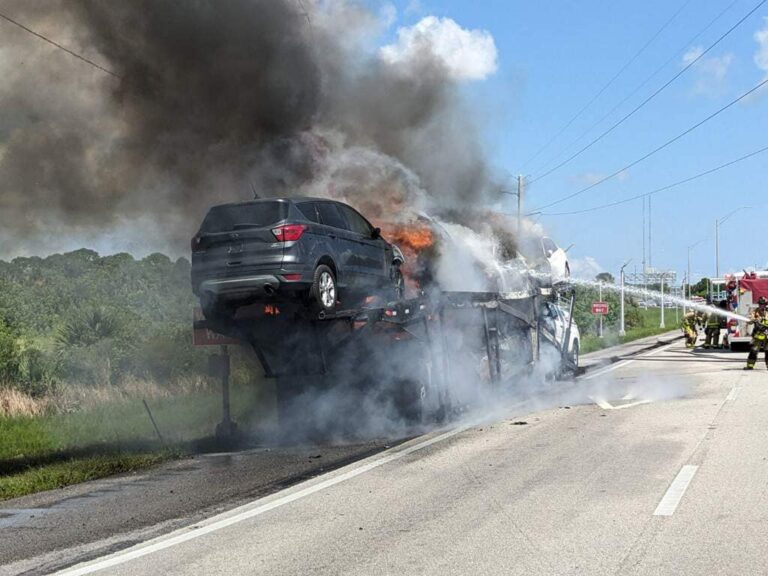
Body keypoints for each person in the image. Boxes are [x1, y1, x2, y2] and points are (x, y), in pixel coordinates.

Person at [744, 296, 768, 370]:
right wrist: (753, 319)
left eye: (763, 304)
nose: (762, 305)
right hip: (757, 336)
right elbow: (748, 320)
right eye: (760, 304)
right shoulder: (755, 312)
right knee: (754, 351)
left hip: (767, 336)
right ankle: (750, 365)